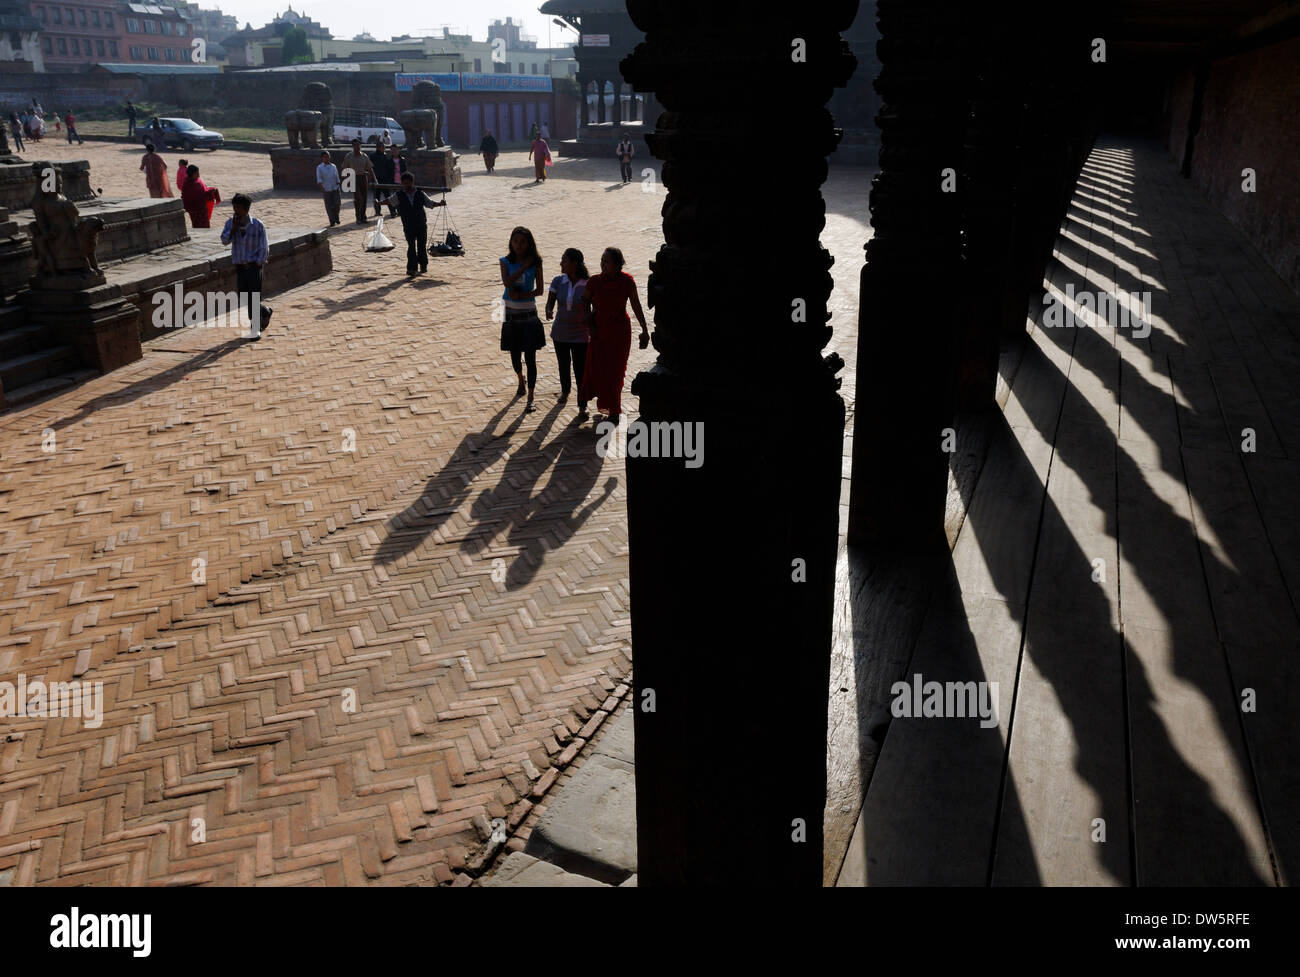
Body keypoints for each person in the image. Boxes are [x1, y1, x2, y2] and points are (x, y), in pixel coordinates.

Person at [578, 247, 648, 424]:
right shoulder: (594, 281)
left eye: (606, 261)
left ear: (617, 265)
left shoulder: (627, 281)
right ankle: (598, 403)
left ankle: (614, 409)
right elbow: (584, 302)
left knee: (616, 371)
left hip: (620, 332)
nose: (602, 264)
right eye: (602, 260)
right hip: (599, 331)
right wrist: (589, 323)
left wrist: (644, 329)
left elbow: (636, 305)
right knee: (599, 368)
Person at [499, 226, 546, 412]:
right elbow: (507, 282)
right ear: (511, 242)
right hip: (511, 315)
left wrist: (524, 295)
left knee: (531, 357)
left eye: (522, 242)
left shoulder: (537, 262)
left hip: (529, 316)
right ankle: (520, 378)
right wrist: (523, 268)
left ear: (529, 244)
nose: (519, 245)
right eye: (515, 241)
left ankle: (531, 397)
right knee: (515, 357)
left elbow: (540, 290)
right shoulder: (505, 261)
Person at [220, 194, 274, 340]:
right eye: (234, 207)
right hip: (239, 266)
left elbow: (264, 246)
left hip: (254, 267)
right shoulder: (230, 224)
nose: (235, 210)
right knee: (244, 298)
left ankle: (255, 328)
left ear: (246, 208)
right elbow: (224, 240)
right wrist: (234, 228)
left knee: (254, 297)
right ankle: (265, 311)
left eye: (238, 207)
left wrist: (258, 262)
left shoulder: (257, 225)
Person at [545, 248, 591, 417]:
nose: (561, 264)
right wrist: (548, 310)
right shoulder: (558, 281)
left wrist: (590, 319)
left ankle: (582, 404)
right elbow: (549, 303)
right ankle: (565, 390)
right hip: (560, 332)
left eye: (564, 261)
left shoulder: (588, 283)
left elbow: (593, 307)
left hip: (581, 334)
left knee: (580, 370)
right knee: (563, 365)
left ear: (574, 263)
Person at [393, 171, 446, 277]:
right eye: (404, 183)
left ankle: (423, 265)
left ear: (412, 182)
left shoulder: (420, 193)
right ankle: (411, 268)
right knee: (411, 246)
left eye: (408, 183)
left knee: (421, 245)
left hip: (421, 223)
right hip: (408, 225)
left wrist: (440, 204)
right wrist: (378, 203)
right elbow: (389, 201)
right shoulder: (399, 195)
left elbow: (429, 203)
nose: (406, 185)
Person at [341, 138, 375, 224]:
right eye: (355, 145)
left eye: (358, 145)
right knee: (358, 198)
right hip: (353, 178)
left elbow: (370, 168)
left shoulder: (364, 156)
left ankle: (363, 217)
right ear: (352, 146)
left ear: (360, 146)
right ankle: (358, 217)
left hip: (363, 177)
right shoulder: (349, 156)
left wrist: (375, 179)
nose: (357, 147)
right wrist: (345, 180)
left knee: (364, 198)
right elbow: (345, 168)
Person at [181, 164, 220, 228]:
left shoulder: (189, 182)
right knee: (201, 226)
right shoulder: (193, 184)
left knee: (197, 225)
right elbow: (201, 196)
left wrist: (209, 190)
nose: (198, 175)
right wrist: (212, 191)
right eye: (197, 173)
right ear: (192, 174)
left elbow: (202, 192)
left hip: (195, 209)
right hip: (197, 210)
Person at [370, 143, 398, 218]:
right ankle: (377, 211)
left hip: (384, 179)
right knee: (376, 196)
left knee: (388, 196)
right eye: (383, 147)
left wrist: (389, 178)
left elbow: (388, 168)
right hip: (376, 179)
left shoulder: (385, 156)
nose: (384, 149)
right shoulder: (372, 156)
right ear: (379, 147)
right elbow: (370, 167)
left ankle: (392, 211)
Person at [315, 150, 341, 227]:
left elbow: (337, 177)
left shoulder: (333, 166)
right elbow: (319, 179)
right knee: (329, 206)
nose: (327, 158)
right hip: (326, 189)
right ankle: (332, 220)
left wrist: (338, 184)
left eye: (328, 156)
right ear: (322, 158)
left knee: (337, 204)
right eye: (325, 157)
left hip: (335, 188)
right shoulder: (320, 168)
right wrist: (322, 189)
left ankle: (336, 216)